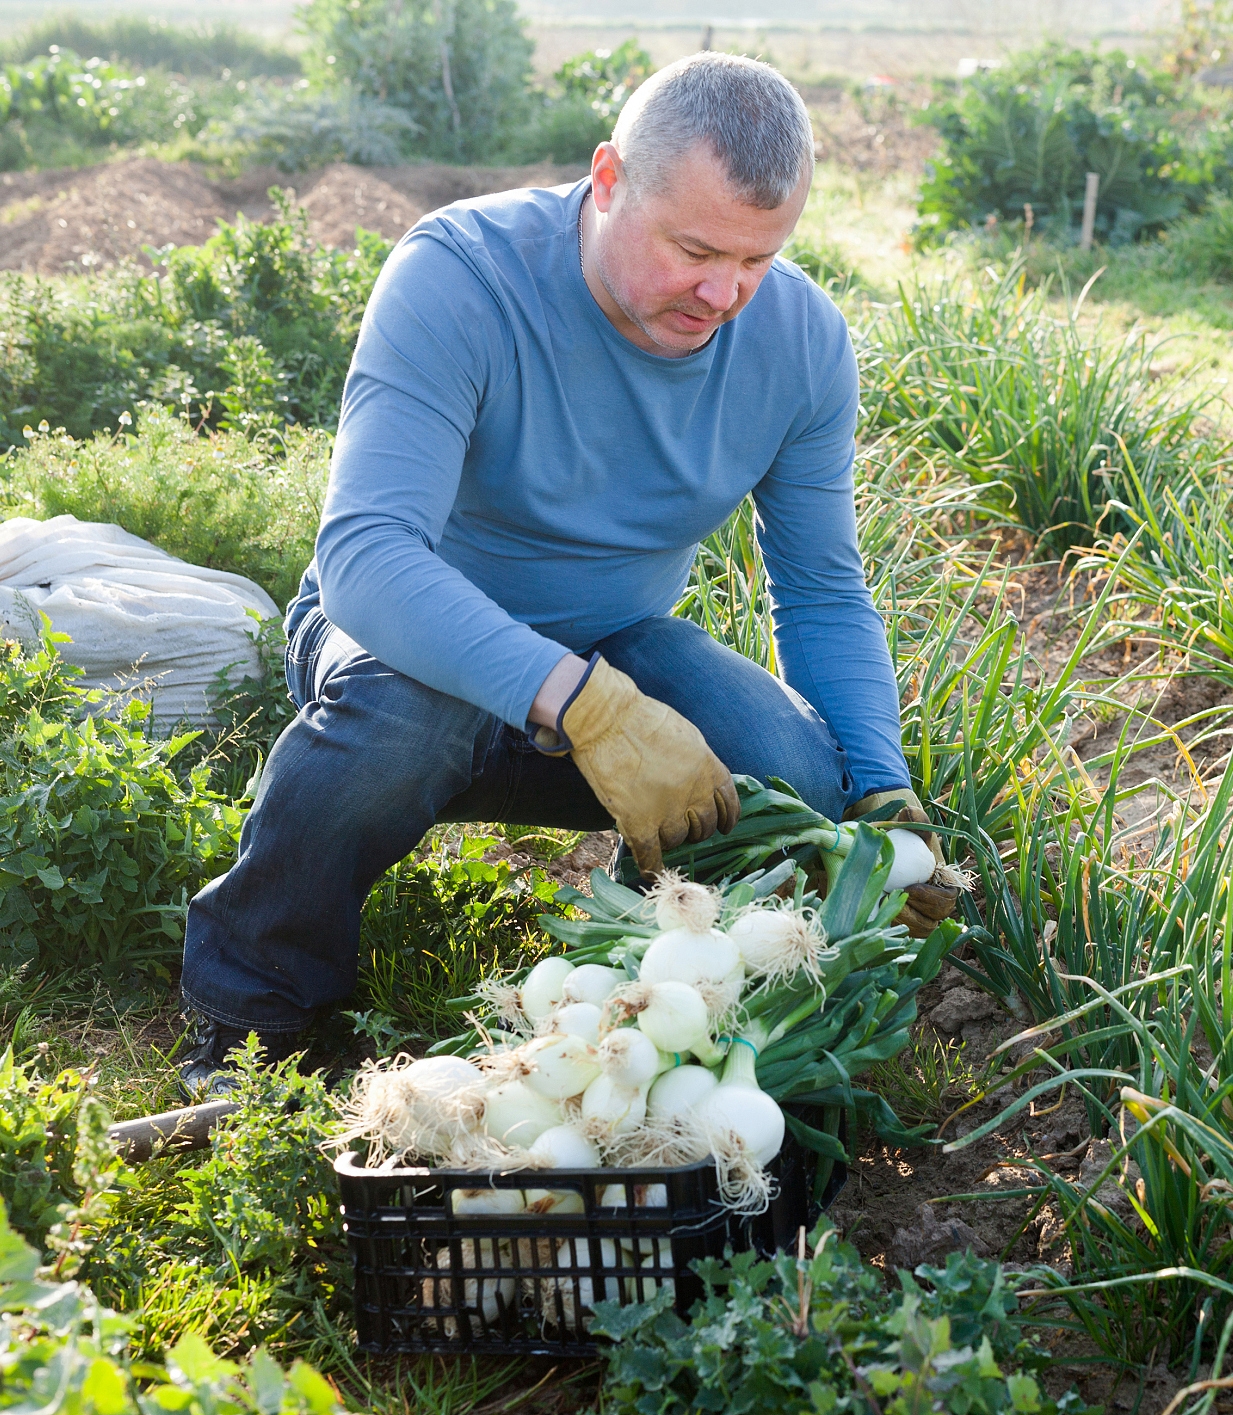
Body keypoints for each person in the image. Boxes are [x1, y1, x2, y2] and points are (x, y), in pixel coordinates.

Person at [176, 53, 951, 1099]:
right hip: (404, 644)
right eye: (694, 249)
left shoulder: (800, 342)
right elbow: (367, 557)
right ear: (607, 180)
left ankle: (657, 985)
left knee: (791, 776)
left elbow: (818, 586)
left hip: (610, 638)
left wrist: (877, 785)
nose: (723, 293)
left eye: (757, 260)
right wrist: (587, 706)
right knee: (405, 721)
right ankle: (252, 1012)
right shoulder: (462, 275)